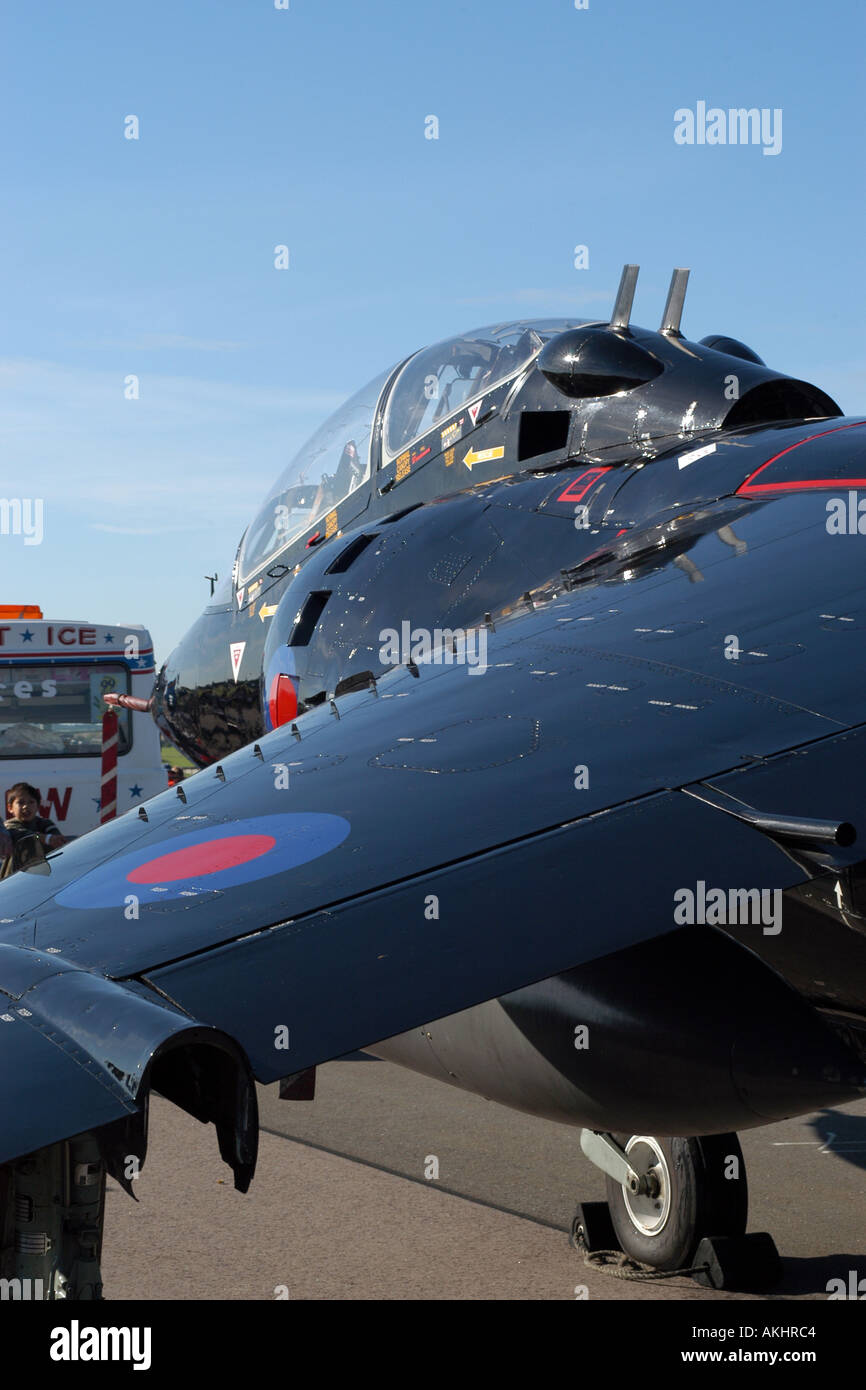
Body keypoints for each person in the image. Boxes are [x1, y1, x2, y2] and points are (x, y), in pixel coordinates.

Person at [5, 782, 68, 851]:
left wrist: (56, 840)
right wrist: (45, 839)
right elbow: (25, 836)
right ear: (10, 808)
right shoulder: (8, 826)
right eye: (21, 802)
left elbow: (57, 839)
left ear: (38, 806)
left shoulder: (45, 823)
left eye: (31, 802)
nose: (26, 806)